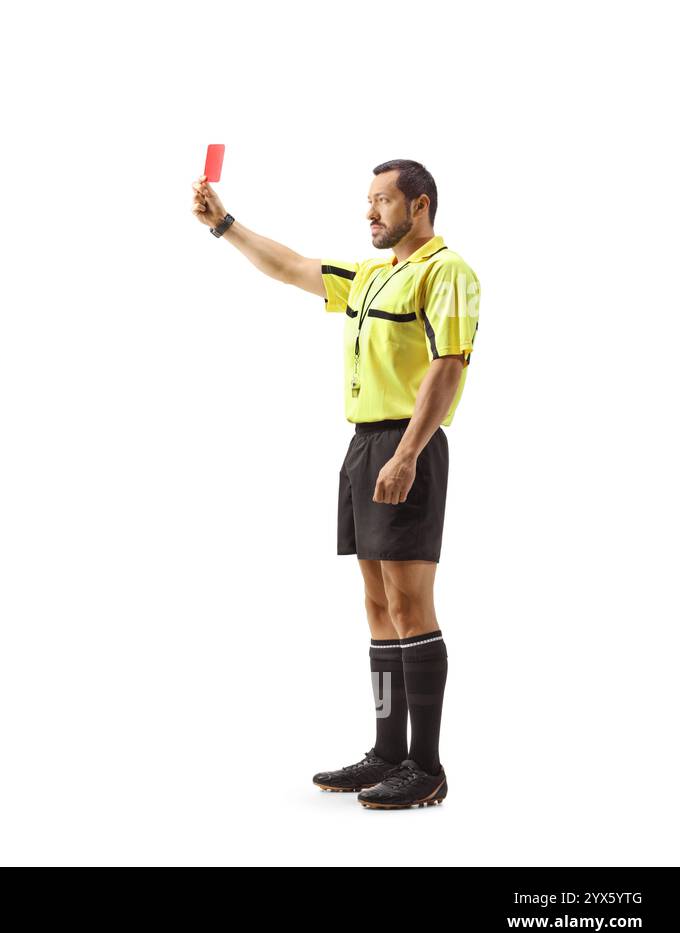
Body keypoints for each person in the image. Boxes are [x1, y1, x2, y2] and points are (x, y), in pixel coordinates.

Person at [191, 159, 479, 810]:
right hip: (364, 445)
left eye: (383, 201)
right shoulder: (377, 275)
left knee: (411, 606)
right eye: (368, 201)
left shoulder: (445, 271)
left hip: (408, 442)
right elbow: (292, 266)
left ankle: (426, 766)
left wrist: (408, 453)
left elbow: (448, 366)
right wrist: (225, 226)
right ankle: (386, 752)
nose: (370, 212)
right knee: (379, 607)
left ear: (420, 206)